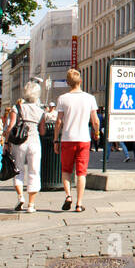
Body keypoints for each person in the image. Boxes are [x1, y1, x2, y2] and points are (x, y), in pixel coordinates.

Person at [54, 69, 99, 212]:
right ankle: (79, 204)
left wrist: (56, 139)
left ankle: (68, 195)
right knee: (81, 172)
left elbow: (58, 122)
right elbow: (95, 120)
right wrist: (96, 133)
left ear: (68, 83)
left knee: (66, 170)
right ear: (81, 81)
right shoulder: (90, 98)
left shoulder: (62, 98)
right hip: (83, 139)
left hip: (67, 138)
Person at [5, 82, 46, 212]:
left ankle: (20, 197)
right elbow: (43, 130)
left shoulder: (17, 108)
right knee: (34, 171)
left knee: (18, 169)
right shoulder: (40, 111)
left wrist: (7, 143)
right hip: (34, 142)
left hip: (19, 143)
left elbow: (10, 127)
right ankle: (31, 204)